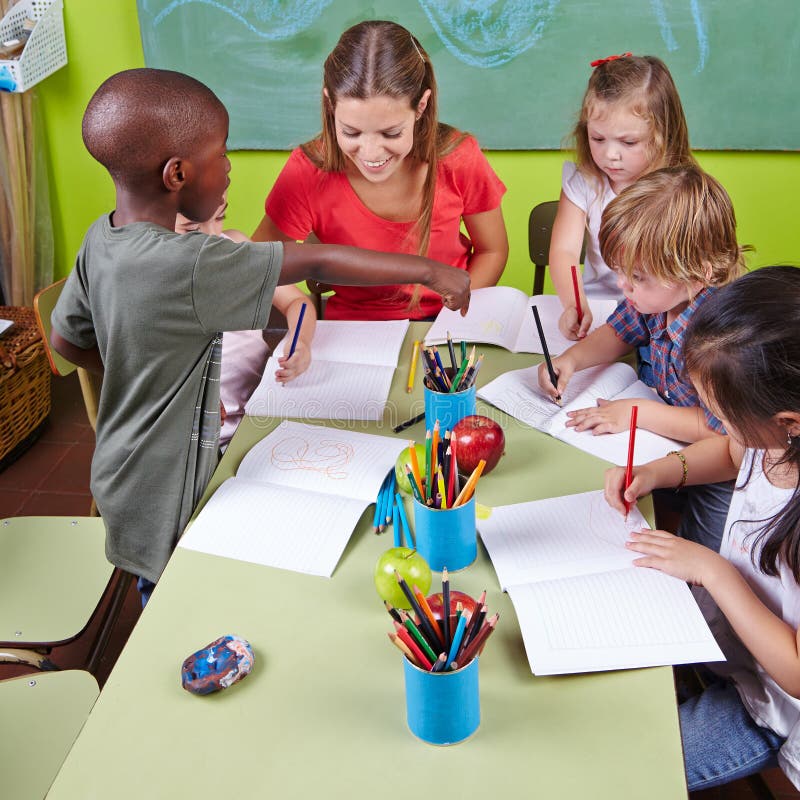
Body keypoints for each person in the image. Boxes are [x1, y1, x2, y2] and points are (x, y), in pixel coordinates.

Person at [50, 68, 470, 605]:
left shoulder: (103, 236)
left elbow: (68, 341)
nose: (228, 168)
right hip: (171, 495)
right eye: (221, 154)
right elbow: (314, 258)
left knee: (163, 587)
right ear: (177, 173)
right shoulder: (190, 262)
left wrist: (138, 376)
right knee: (184, 603)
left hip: (124, 474)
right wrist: (428, 270)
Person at [604, 265, 800, 792]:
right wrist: (661, 471)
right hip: (733, 657)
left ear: (788, 423)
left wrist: (713, 571)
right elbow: (732, 452)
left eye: (720, 413)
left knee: (625, 776)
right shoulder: (770, 440)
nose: (714, 422)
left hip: (775, 715)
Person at [538, 165, 746, 551]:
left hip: (724, 472)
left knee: (703, 552)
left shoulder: (718, 341)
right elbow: (619, 331)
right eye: (620, 272)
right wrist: (571, 359)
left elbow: (723, 434)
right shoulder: (656, 298)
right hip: (667, 450)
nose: (623, 285)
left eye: (638, 277)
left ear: (699, 269)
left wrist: (635, 413)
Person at [252, 19, 508, 321]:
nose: (371, 153)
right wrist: (300, 307)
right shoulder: (308, 170)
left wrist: (452, 318)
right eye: (351, 132)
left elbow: (493, 251)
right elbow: (256, 265)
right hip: (351, 329)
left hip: (443, 323)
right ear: (330, 105)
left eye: (390, 133)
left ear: (421, 106)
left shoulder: (457, 157)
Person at [549, 53, 696, 340]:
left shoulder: (680, 192)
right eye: (598, 138)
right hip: (600, 313)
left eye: (628, 142)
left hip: (661, 315)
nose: (610, 155)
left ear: (663, 133)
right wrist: (574, 305)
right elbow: (564, 250)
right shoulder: (584, 183)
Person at [176, 198, 316, 448]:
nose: (212, 236)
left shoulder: (237, 246)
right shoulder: (152, 281)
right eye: (191, 228)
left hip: (264, 407)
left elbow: (297, 302)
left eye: (220, 217)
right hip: (206, 437)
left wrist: (301, 341)